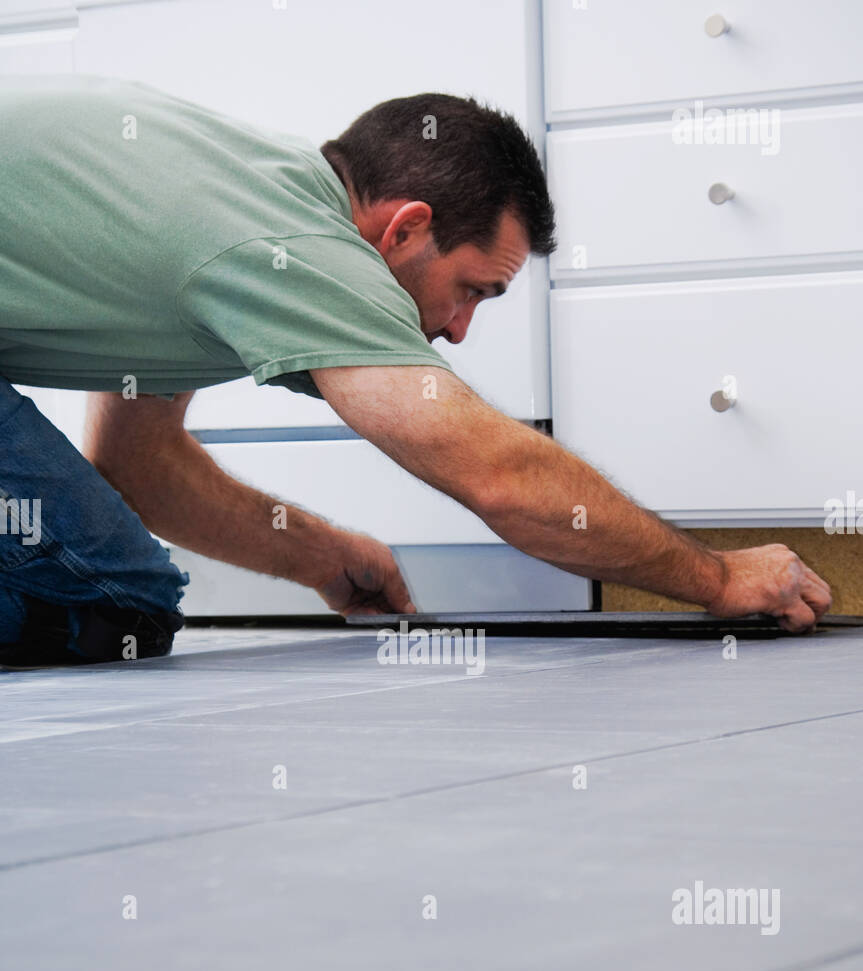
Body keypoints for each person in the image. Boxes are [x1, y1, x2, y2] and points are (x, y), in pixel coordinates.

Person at [0, 77, 830, 665]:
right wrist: (717, 578)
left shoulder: (244, 204)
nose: (460, 331)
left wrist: (321, 555)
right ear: (404, 230)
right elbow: (497, 475)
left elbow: (137, 463)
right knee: (113, 604)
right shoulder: (295, 248)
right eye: (473, 290)